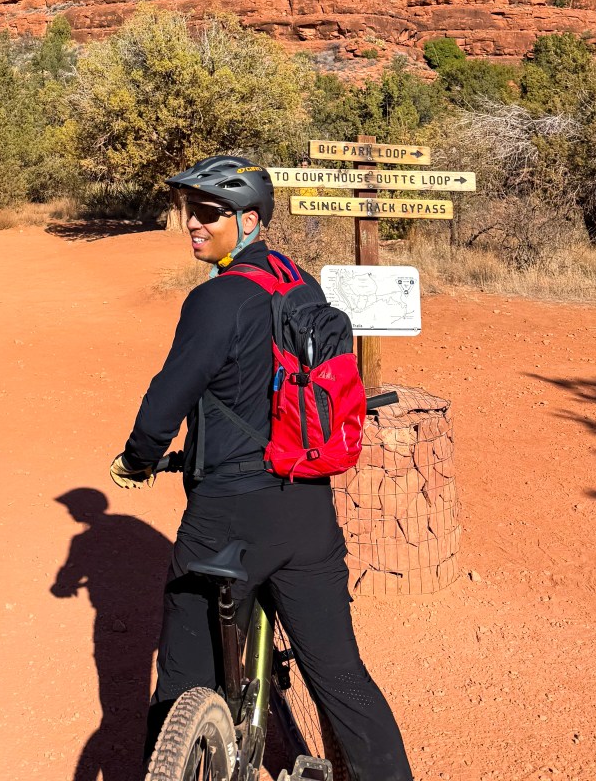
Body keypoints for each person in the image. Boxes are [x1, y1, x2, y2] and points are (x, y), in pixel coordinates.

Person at [111, 155, 413, 781]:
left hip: (228, 513)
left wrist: (137, 459)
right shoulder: (301, 285)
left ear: (248, 221)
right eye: (190, 210)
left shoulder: (215, 299)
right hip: (307, 509)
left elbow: (169, 397)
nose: (194, 223)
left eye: (210, 213)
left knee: (184, 674)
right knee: (341, 676)